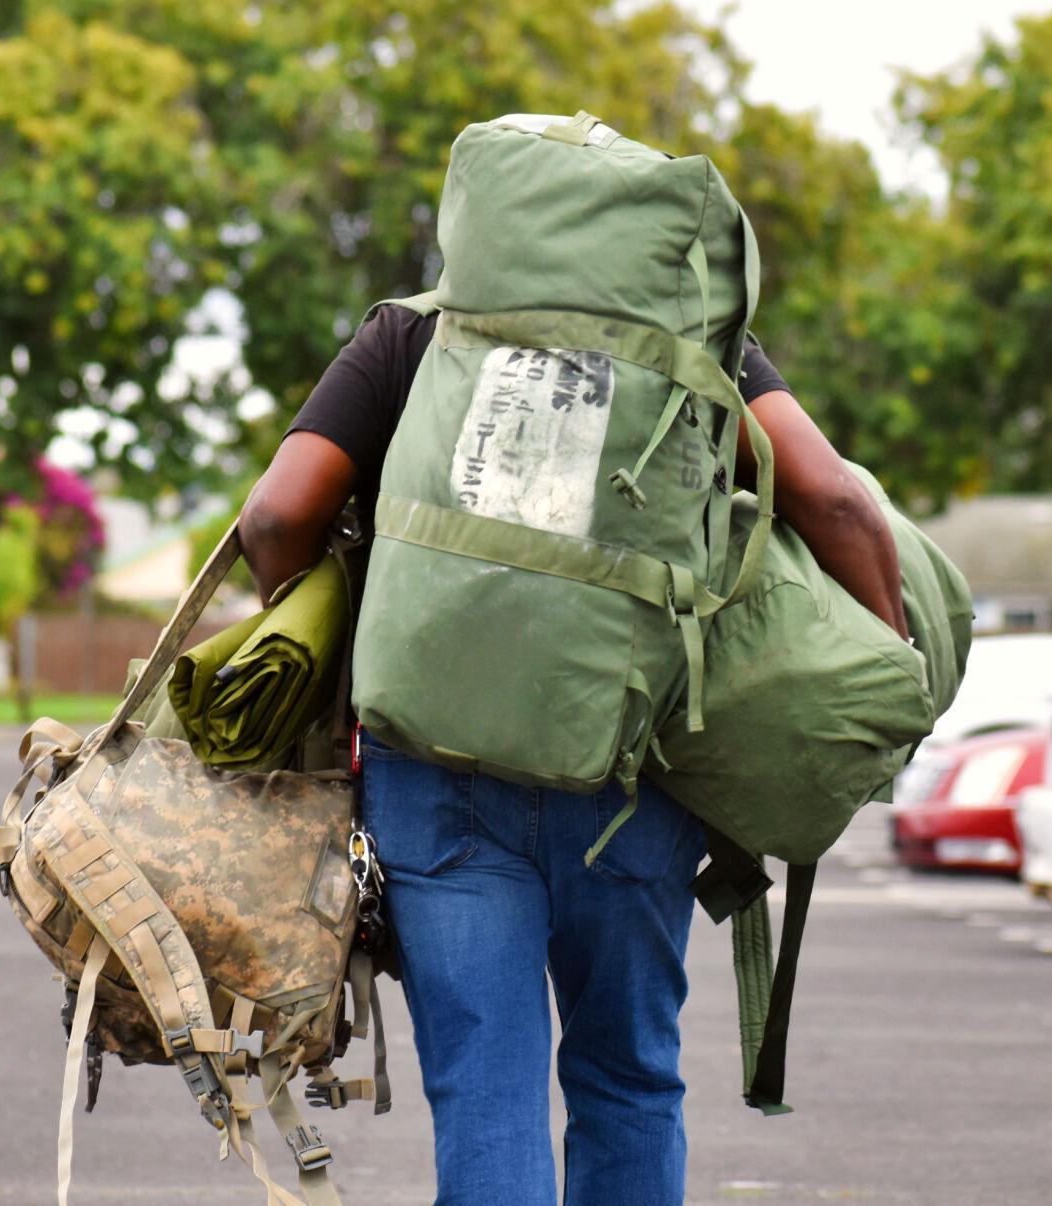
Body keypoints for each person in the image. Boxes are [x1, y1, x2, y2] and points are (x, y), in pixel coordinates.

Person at [238, 301, 909, 1205]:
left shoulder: (410, 336)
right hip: (629, 774)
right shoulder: (695, 340)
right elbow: (833, 501)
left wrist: (335, 644)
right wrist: (895, 677)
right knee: (628, 1079)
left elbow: (278, 516)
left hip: (434, 772)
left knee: (484, 1097)